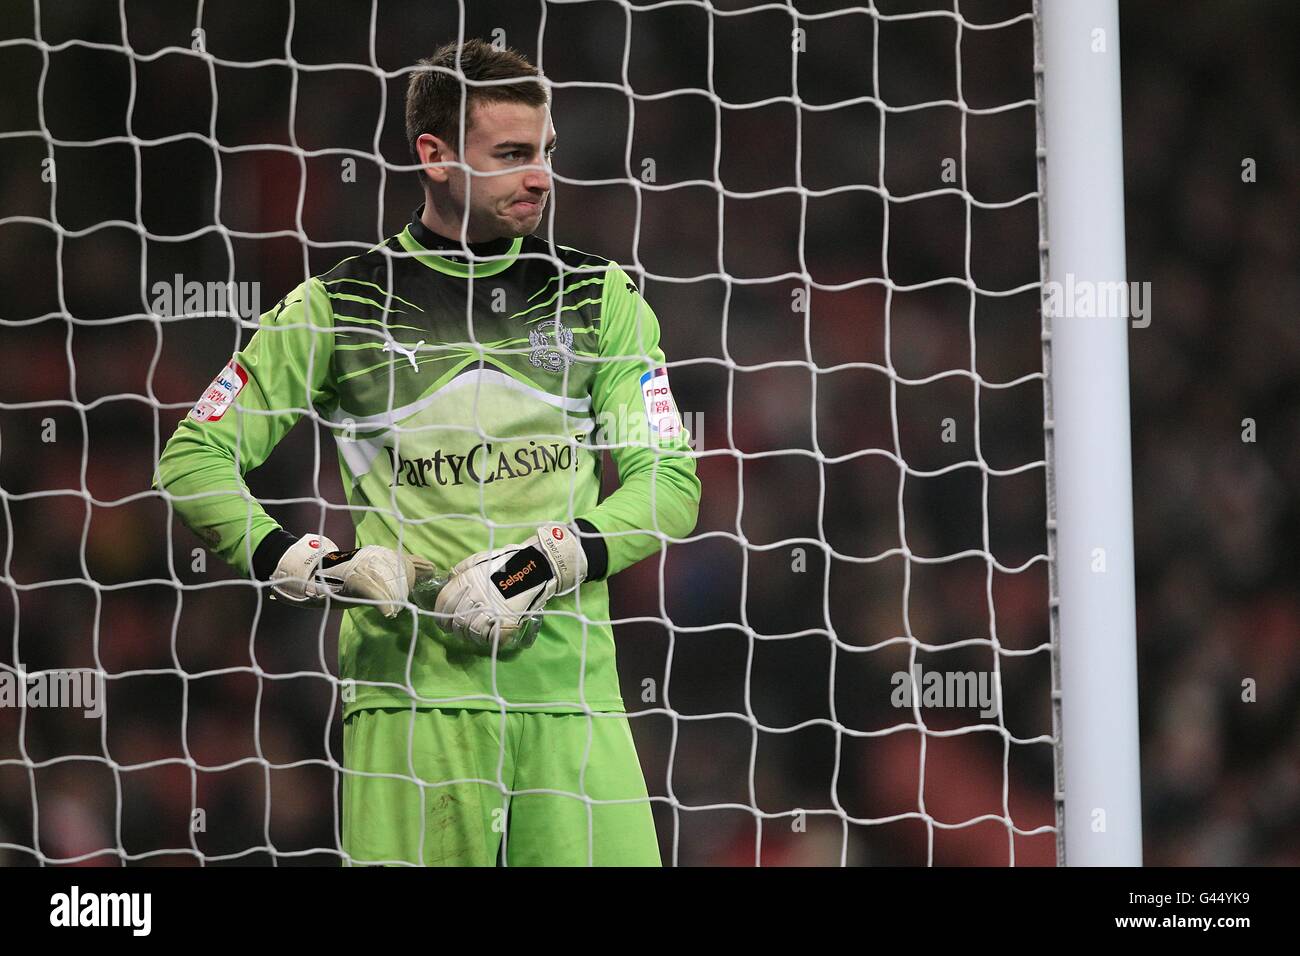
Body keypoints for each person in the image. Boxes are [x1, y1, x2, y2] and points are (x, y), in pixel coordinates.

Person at [153, 38, 700, 866]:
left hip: (572, 706)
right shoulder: (340, 306)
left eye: (546, 152)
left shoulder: (599, 296)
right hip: (409, 704)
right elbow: (191, 458)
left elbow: (670, 481)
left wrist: (542, 564)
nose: (541, 177)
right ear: (435, 157)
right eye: (511, 155)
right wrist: (310, 564)